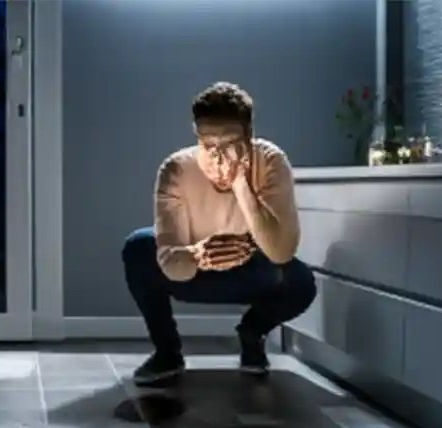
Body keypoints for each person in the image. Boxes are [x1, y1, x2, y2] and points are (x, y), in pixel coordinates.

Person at [121, 81, 317, 385]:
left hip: (252, 270)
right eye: (208, 143)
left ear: (249, 134)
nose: (218, 156)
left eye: (229, 143)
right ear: (196, 134)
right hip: (193, 273)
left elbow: (282, 252)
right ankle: (167, 352)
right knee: (138, 246)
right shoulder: (176, 169)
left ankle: (252, 333)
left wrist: (241, 185)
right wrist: (198, 254)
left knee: (301, 281)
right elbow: (172, 262)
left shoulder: (271, 161)